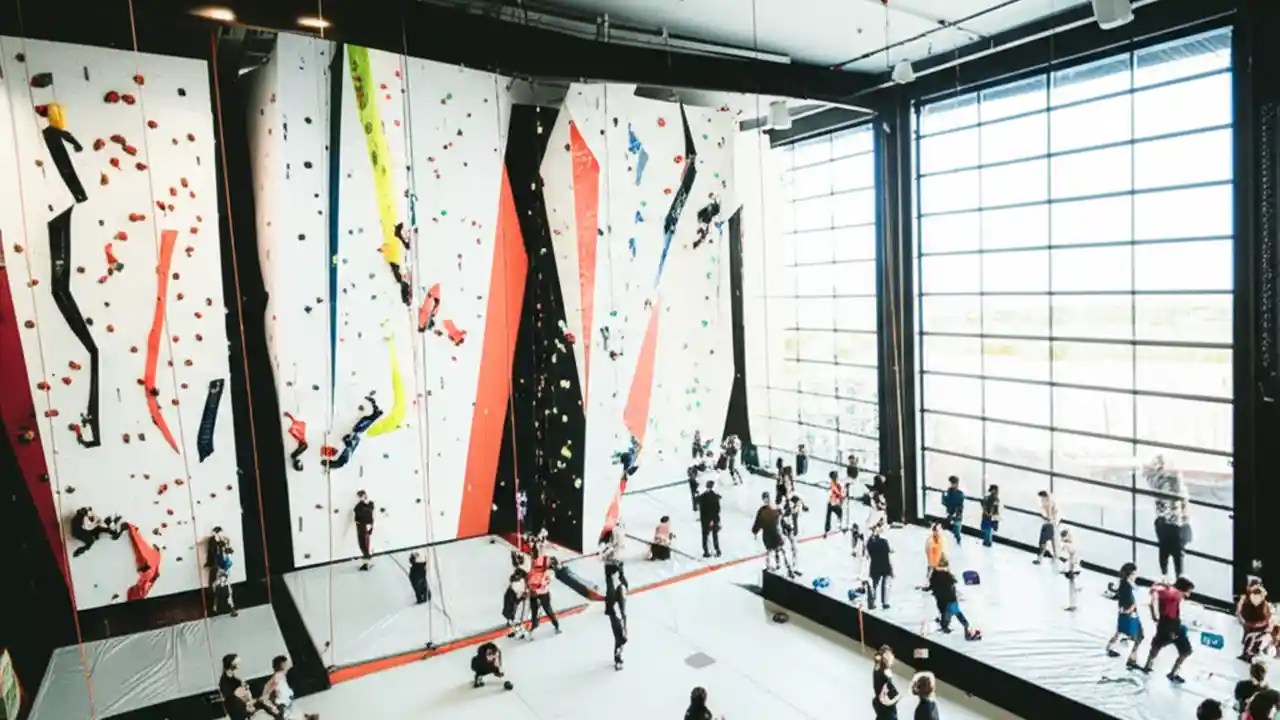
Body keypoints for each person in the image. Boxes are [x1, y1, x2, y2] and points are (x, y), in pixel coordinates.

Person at [1140, 576, 1196, 683]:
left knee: (1157, 645)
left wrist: (1160, 585)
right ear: (1183, 589)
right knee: (1185, 650)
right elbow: (1154, 598)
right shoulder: (1174, 594)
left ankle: (1148, 665)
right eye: (1189, 591)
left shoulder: (1168, 591)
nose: (1189, 594)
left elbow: (1154, 591)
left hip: (1168, 624)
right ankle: (1172, 672)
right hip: (1170, 625)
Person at [1146, 455, 1191, 580]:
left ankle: (1167, 576)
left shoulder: (1166, 481)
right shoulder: (1173, 481)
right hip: (1174, 525)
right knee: (1175, 556)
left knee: (1166, 553)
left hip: (1170, 525)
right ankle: (1174, 577)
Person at [1105, 562, 1145, 668]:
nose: (1136, 576)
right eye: (1134, 574)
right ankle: (1131, 659)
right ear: (1130, 574)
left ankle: (1111, 648)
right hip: (1129, 614)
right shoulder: (1126, 585)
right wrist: (1131, 608)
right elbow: (1125, 601)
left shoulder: (1126, 583)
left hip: (1129, 614)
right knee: (1137, 636)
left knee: (1123, 632)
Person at [928, 556, 978, 639]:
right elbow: (952, 585)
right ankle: (965, 628)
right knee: (955, 613)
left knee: (947, 614)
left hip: (942, 600)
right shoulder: (947, 576)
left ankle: (946, 626)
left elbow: (932, 587)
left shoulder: (935, 576)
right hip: (949, 600)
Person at [752, 492, 794, 578]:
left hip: (769, 535)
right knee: (780, 550)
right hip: (775, 534)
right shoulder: (774, 509)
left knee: (771, 551)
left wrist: (755, 531)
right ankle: (787, 568)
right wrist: (788, 528)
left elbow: (757, 523)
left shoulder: (762, 511)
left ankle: (772, 568)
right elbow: (782, 520)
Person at [527, 549, 561, 637]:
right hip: (533, 591)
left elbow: (544, 583)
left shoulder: (549, 572)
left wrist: (535, 590)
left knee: (548, 610)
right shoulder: (536, 560)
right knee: (534, 611)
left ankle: (556, 625)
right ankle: (534, 625)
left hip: (543, 593)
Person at [1238, 581, 1274, 661]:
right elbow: (1240, 612)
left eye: (1258, 597)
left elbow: (1268, 618)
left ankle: (1251, 653)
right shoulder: (1246, 601)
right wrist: (1244, 622)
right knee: (1249, 638)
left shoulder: (1265, 606)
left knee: (1255, 639)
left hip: (1260, 626)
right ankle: (1247, 654)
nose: (1255, 600)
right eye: (1253, 596)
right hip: (1250, 624)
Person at [218, 654, 256, 720]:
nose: (239, 664)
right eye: (236, 662)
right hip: (236, 708)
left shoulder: (232, 677)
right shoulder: (224, 680)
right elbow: (229, 694)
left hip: (239, 707)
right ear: (231, 664)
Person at [866, 525, 893, 610]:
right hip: (885, 565)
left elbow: (868, 553)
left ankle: (872, 601)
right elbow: (888, 555)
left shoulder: (870, 543)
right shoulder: (884, 541)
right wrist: (891, 569)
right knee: (886, 584)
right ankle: (885, 602)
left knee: (874, 584)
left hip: (875, 565)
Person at [780, 493, 808, 575]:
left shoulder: (796, 508)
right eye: (798, 504)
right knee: (789, 550)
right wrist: (787, 529)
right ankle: (789, 568)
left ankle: (793, 567)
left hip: (792, 531)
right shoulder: (789, 510)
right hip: (789, 531)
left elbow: (801, 505)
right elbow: (783, 520)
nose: (799, 506)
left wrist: (804, 507)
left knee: (794, 550)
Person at [871, 645, 901, 719]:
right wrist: (898, 697)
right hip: (886, 710)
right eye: (890, 655)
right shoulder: (884, 674)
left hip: (881, 706)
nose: (893, 657)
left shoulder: (878, 668)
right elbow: (893, 695)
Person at [261, 655, 293, 719]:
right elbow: (265, 695)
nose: (288, 666)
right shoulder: (277, 677)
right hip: (281, 707)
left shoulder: (280, 677)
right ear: (283, 665)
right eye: (286, 664)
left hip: (284, 707)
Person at [600, 528, 629, 598]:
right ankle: (625, 588)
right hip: (619, 561)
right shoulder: (621, 540)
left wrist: (602, 554)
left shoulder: (609, 545)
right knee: (621, 576)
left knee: (609, 580)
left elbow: (603, 554)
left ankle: (611, 596)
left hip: (610, 563)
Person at [1033, 490, 1060, 566]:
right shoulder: (1051, 502)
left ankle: (1040, 558)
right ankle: (1055, 557)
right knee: (1052, 540)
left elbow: (1048, 515)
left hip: (1047, 523)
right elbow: (1055, 512)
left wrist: (1043, 517)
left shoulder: (1047, 503)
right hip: (1052, 523)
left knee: (1042, 542)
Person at [606, 581, 628, 670]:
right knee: (620, 637)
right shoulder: (616, 588)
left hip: (618, 614)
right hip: (616, 614)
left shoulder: (619, 587)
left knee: (620, 638)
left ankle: (618, 658)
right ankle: (618, 659)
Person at [698, 481, 722, 559]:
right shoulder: (715, 497)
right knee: (714, 535)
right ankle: (717, 550)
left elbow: (701, 508)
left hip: (705, 519)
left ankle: (706, 551)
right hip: (714, 519)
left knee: (705, 535)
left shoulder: (703, 496)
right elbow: (717, 509)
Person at [1059, 528, 1081, 611]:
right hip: (1076, 567)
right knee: (1073, 586)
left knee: (1072, 587)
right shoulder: (1075, 543)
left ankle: (1072, 605)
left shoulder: (1067, 546)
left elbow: (1067, 558)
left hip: (1072, 568)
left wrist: (1070, 569)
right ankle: (1074, 604)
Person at [503, 567, 528, 638]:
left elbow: (522, 591)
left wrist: (524, 594)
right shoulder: (515, 583)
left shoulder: (520, 581)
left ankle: (516, 630)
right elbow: (516, 598)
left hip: (514, 600)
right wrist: (522, 597)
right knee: (512, 615)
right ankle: (514, 630)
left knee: (514, 616)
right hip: (511, 600)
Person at [353, 490, 375, 570]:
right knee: (364, 545)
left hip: (364, 526)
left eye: (360, 496)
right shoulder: (360, 506)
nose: (360, 498)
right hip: (363, 526)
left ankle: (366, 564)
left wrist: (370, 526)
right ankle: (366, 562)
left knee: (364, 545)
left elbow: (368, 514)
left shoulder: (366, 505)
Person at [941, 476, 964, 544]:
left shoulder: (959, 493)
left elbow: (960, 505)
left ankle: (957, 538)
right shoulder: (949, 492)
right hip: (951, 513)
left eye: (953, 483)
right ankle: (956, 538)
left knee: (956, 528)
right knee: (954, 527)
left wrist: (956, 512)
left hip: (956, 513)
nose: (952, 485)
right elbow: (945, 502)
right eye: (951, 483)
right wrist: (943, 498)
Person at [824, 471, 845, 537]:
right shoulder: (834, 484)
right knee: (839, 512)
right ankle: (838, 526)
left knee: (829, 515)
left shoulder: (835, 483)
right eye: (835, 476)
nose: (836, 477)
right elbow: (838, 493)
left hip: (832, 502)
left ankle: (827, 528)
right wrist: (841, 497)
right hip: (833, 503)